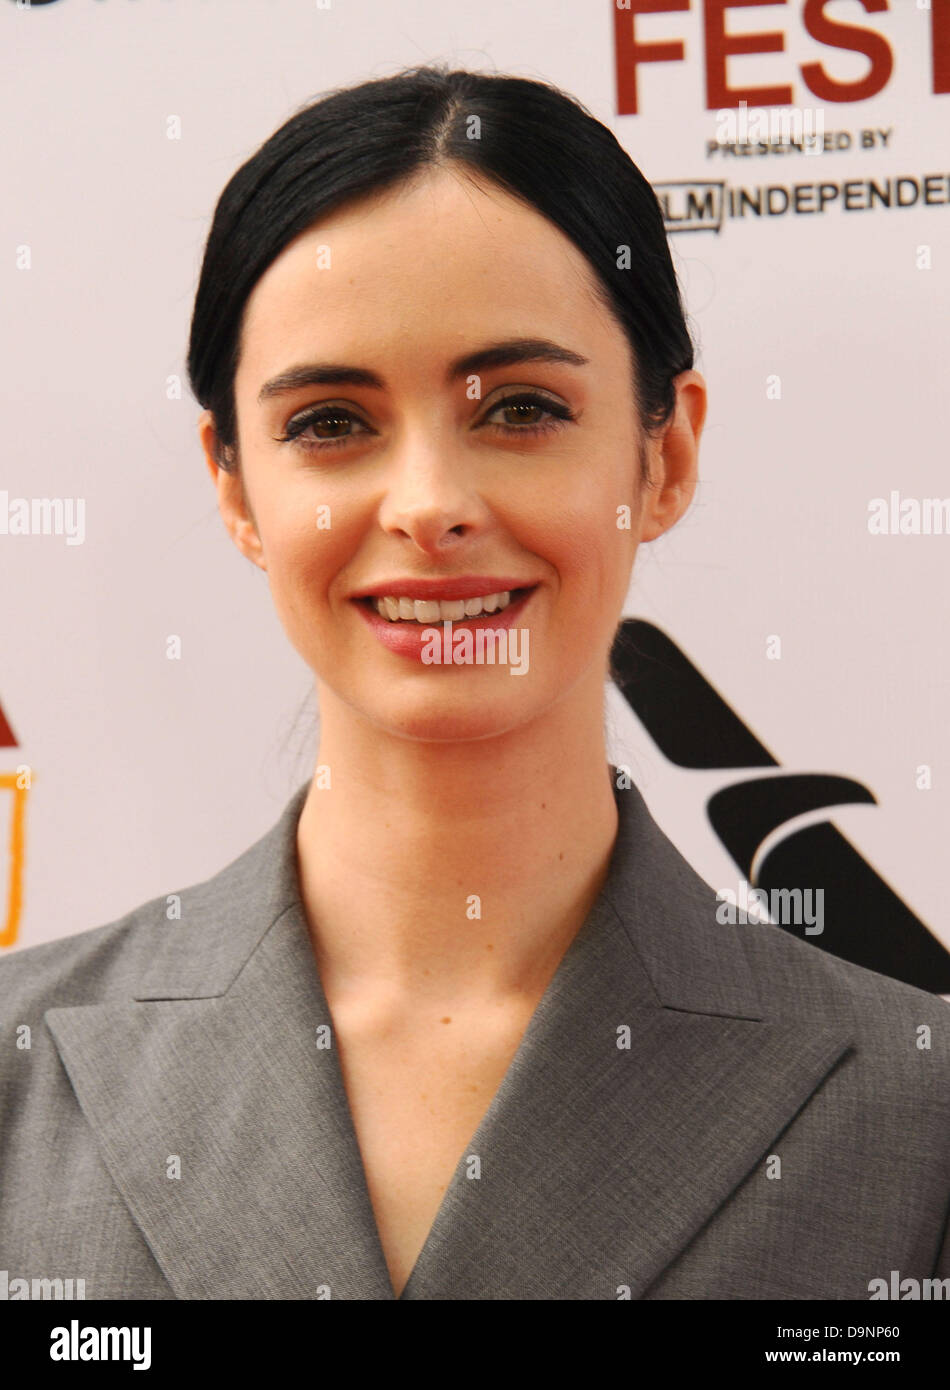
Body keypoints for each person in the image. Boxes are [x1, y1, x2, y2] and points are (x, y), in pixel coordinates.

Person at [1, 65, 947, 1302]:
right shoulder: (22, 1075)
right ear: (234, 486)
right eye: (332, 422)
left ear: (662, 458)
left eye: (518, 408)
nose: (431, 506)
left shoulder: (912, 1115)